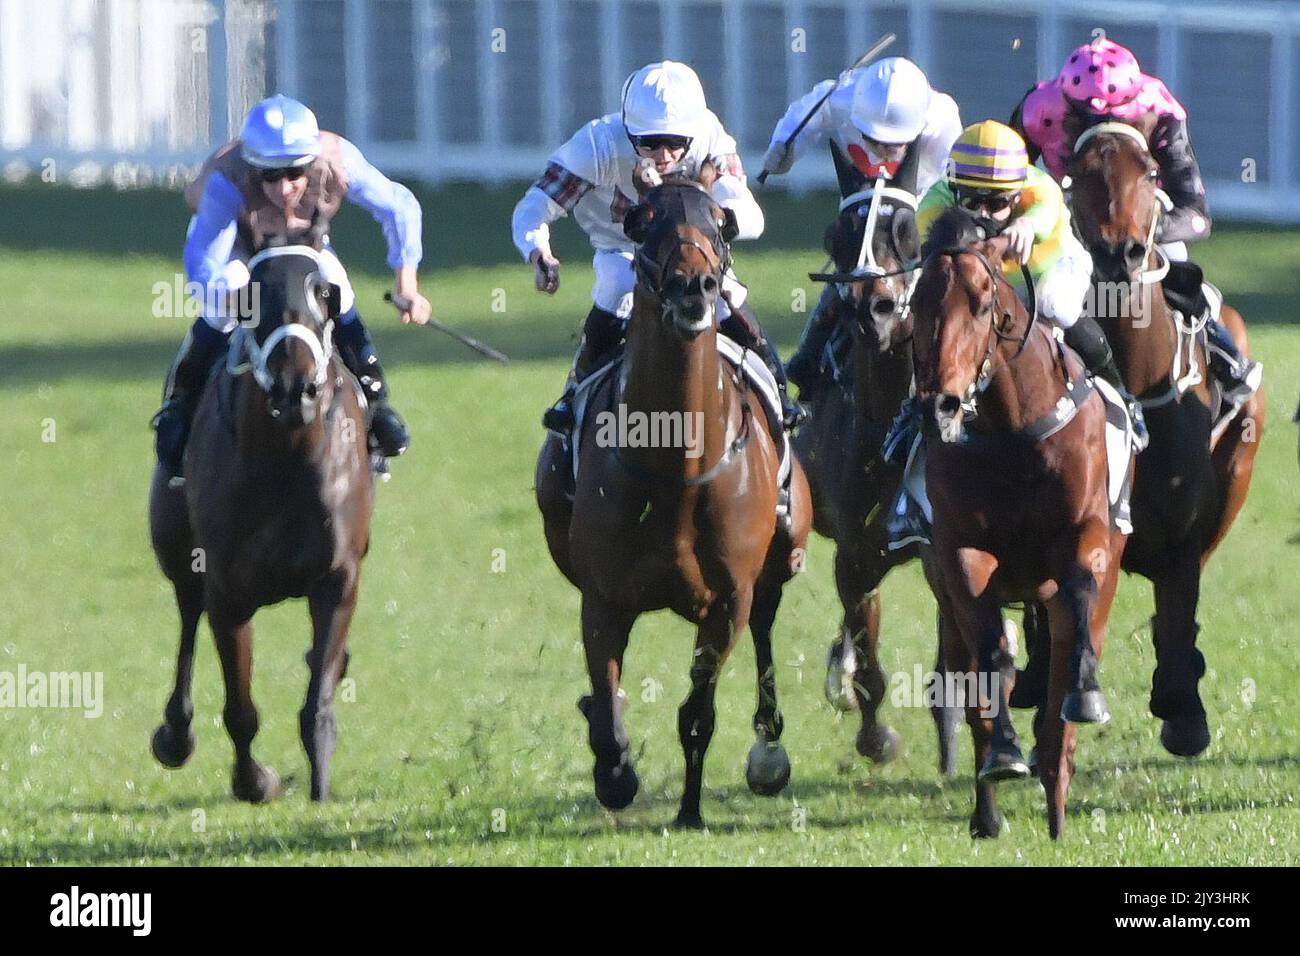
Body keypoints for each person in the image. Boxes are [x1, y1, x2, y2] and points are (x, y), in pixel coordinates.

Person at [883, 120, 1148, 548]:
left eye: (998, 204)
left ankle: (1122, 401)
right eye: (972, 202)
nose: (985, 215)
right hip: (982, 283)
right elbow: (928, 243)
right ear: (953, 190)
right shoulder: (933, 203)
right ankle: (908, 463)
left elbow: (1047, 218)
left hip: (1046, 270)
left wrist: (1025, 228)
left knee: (1057, 307)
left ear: (1017, 193)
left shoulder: (1039, 191)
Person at [511, 60, 802, 434]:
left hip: (691, 253)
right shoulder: (597, 144)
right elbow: (534, 206)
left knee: (728, 290)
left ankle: (778, 392)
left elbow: (750, 213)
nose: (663, 155)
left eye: (675, 144)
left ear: (692, 135)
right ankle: (575, 393)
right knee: (616, 284)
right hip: (622, 250)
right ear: (628, 131)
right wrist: (538, 251)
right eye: (648, 143)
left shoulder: (710, 137)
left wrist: (726, 221)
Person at [152, 94, 431, 479]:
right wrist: (231, 298)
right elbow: (203, 261)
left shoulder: (337, 161)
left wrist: (408, 284)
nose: (284, 189)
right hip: (242, 250)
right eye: (269, 176)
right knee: (224, 303)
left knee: (338, 288)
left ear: (311, 162)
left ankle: (376, 404)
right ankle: (180, 407)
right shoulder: (226, 180)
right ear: (252, 167)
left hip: (305, 250)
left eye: (295, 173)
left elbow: (400, 207)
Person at [1011, 37, 1261, 411]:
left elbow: (1195, 213)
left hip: (1141, 213)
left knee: (1180, 267)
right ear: (1067, 103)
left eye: (1115, 115)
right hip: (1069, 209)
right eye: (1089, 116)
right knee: (1024, 292)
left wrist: (1144, 232)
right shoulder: (1037, 110)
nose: (1104, 124)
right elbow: (1008, 178)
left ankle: (1222, 352)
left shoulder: (1159, 112)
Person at [760, 57, 962, 397]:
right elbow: (805, 114)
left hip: (921, 204)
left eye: (894, 144)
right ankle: (809, 360)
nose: (883, 151)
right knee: (854, 271)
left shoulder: (942, 119)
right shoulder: (840, 97)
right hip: (862, 203)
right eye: (873, 140)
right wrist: (784, 147)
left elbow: (954, 184)